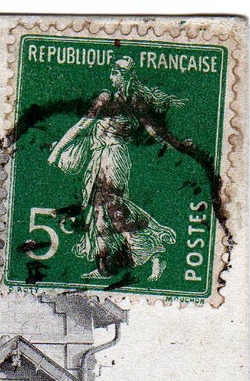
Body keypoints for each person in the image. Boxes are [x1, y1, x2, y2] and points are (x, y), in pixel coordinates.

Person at [48, 54, 184, 282]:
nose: (111, 77)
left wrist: (55, 152)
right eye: (111, 72)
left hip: (111, 158)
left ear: (124, 77)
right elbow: (153, 131)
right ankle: (107, 266)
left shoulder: (108, 99)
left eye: (115, 73)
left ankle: (153, 251)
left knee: (111, 209)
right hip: (105, 158)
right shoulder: (133, 104)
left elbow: (81, 127)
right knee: (101, 212)